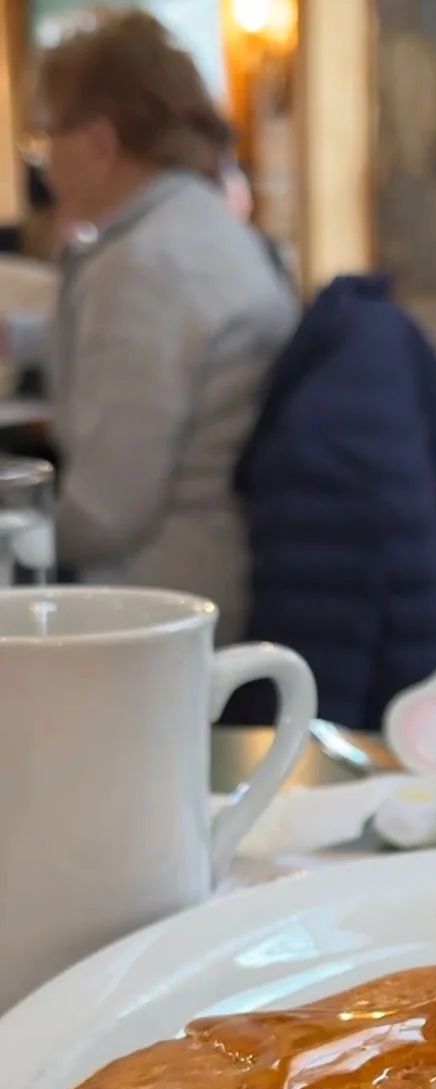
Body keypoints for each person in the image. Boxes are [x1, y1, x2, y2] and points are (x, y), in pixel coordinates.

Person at [20, 11, 298, 638]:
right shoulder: (205, 230)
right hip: (220, 574)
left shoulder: (143, 266)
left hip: (156, 609)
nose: (42, 165)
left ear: (97, 141)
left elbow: (103, 514)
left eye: (45, 139)